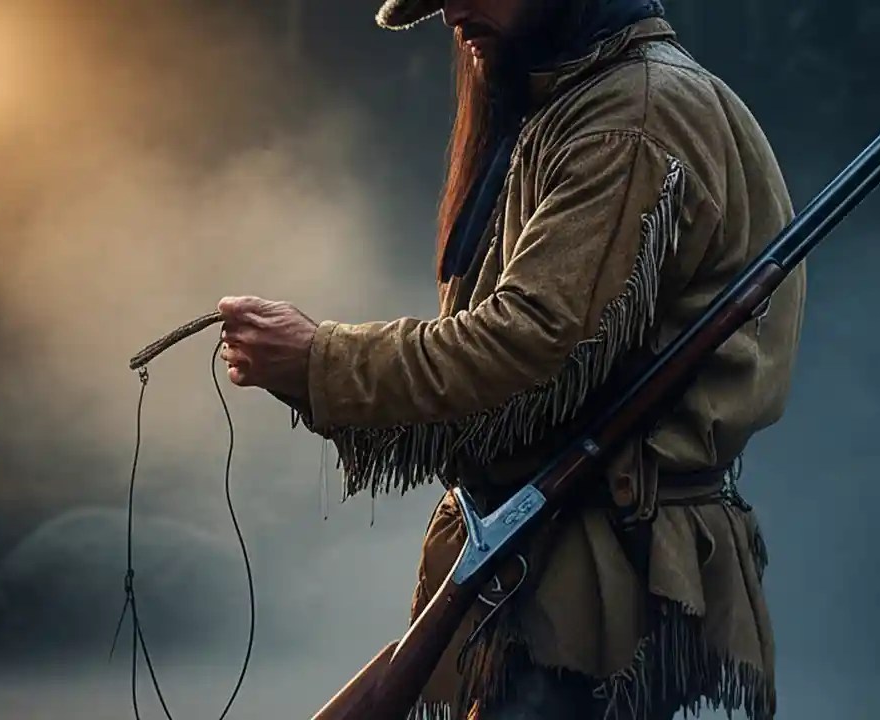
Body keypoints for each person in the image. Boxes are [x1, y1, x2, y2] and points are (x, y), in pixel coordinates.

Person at [216, 0, 805, 718]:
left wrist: (322, 360)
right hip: (545, 562)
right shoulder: (572, 102)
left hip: (594, 584)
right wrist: (315, 367)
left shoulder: (631, 112)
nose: (452, 10)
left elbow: (530, 351)